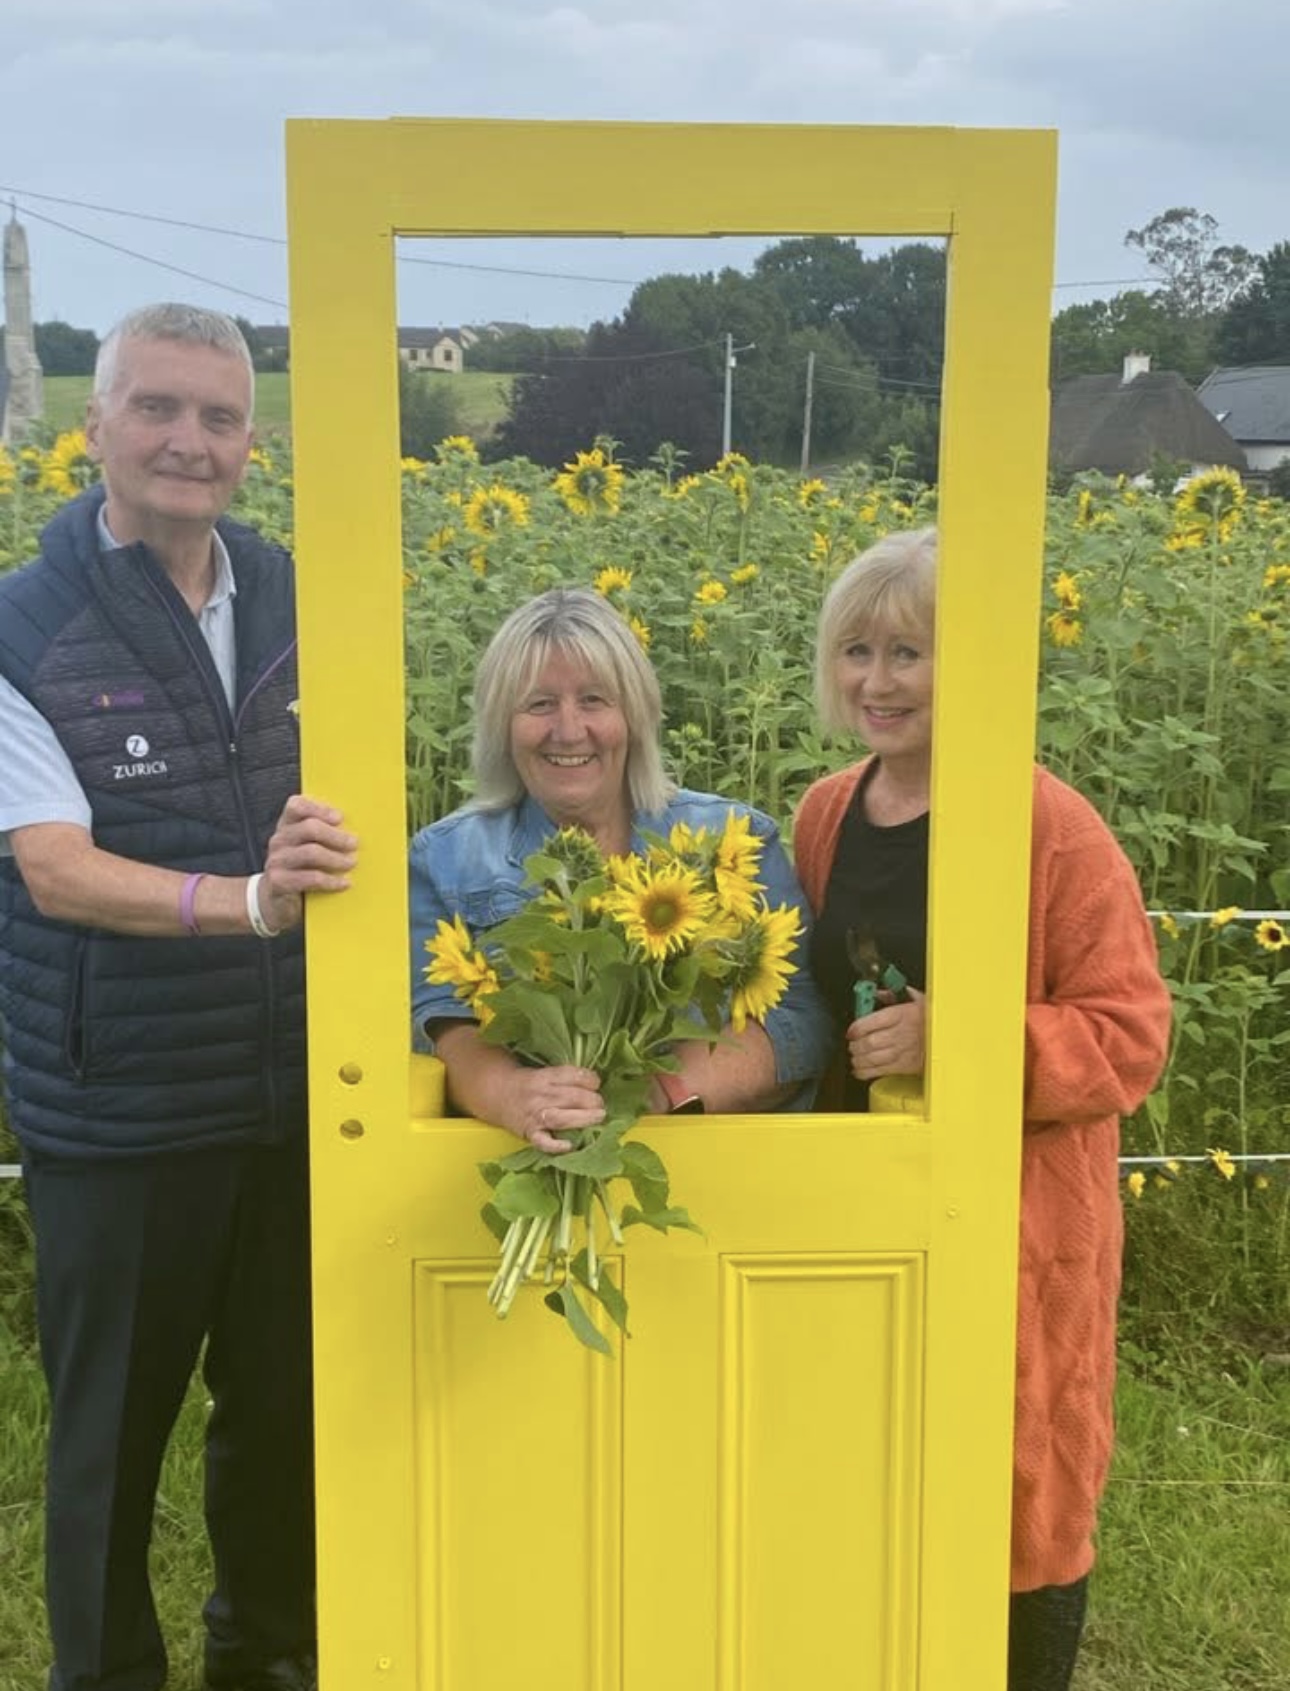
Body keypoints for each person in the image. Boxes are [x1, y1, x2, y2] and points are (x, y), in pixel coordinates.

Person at [0, 305, 358, 1691]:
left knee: (279, 1411)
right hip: (122, 1100)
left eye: (217, 418)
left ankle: (262, 1656)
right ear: (93, 428)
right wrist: (249, 904)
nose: (186, 441)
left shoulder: (292, 590)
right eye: (156, 408)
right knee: (110, 1434)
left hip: (289, 1091)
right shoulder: (26, 625)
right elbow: (55, 870)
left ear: (251, 445)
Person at [792, 528, 1172, 1691]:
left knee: (1015, 1474)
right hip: (859, 1197)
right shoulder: (823, 812)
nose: (877, 679)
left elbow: (1129, 1034)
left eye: (910, 650)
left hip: (1015, 1221)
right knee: (867, 1466)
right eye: (857, 649)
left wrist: (960, 1037)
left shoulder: (1049, 825)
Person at [408, 587, 832, 1137]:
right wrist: (513, 1096)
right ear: (500, 725)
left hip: (713, 1163)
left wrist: (659, 1095)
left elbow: (800, 1019)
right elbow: (440, 1023)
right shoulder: (447, 859)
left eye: (594, 700)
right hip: (518, 1160)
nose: (568, 730)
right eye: (539, 704)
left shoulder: (733, 840)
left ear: (634, 717)